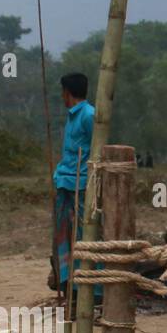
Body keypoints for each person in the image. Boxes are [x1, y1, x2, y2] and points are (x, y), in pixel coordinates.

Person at [50, 73, 94, 294]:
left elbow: (97, 149)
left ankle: (90, 290)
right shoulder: (71, 115)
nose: (61, 96)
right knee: (63, 235)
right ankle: (67, 281)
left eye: (62, 92)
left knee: (83, 235)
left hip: (81, 183)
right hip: (64, 181)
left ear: (67, 92)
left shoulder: (89, 115)